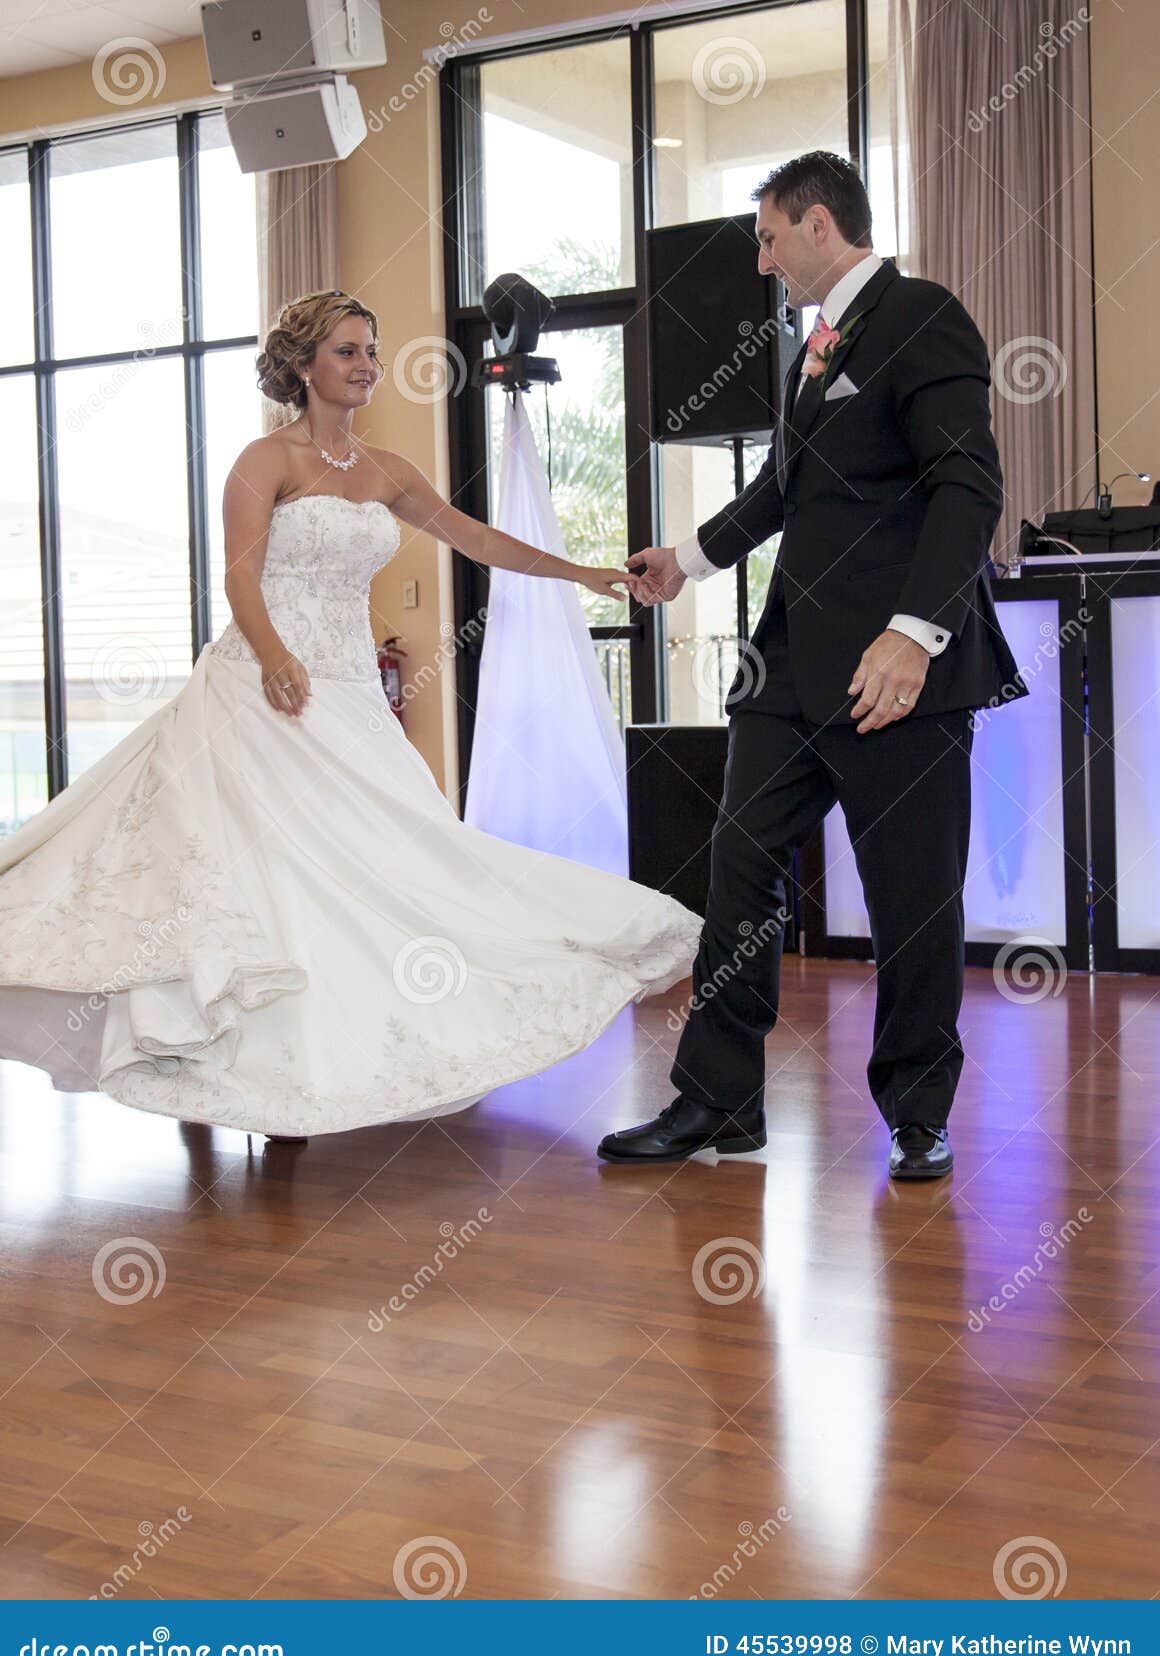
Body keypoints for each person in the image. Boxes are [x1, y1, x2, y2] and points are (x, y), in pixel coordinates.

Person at [0, 289, 702, 1142]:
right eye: (347, 351)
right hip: (263, 688)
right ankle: (218, 1050)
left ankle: (344, 1047)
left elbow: (476, 539)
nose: (367, 364)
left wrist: (580, 573)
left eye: (371, 349)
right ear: (304, 367)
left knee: (394, 862)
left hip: (350, 699)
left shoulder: (388, 471)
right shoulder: (265, 462)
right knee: (262, 872)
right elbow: (240, 576)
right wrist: (275, 656)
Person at [606, 152, 1027, 1179]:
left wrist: (912, 631)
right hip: (787, 667)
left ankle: (917, 1112)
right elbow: (783, 486)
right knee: (739, 863)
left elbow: (965, 486)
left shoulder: (923, 317)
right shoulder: (808, 344)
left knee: (910, 899)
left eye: (764, 235)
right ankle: (716, 1103)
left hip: (896, 672)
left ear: (817, 225)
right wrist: (689, 555)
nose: (758, 257)